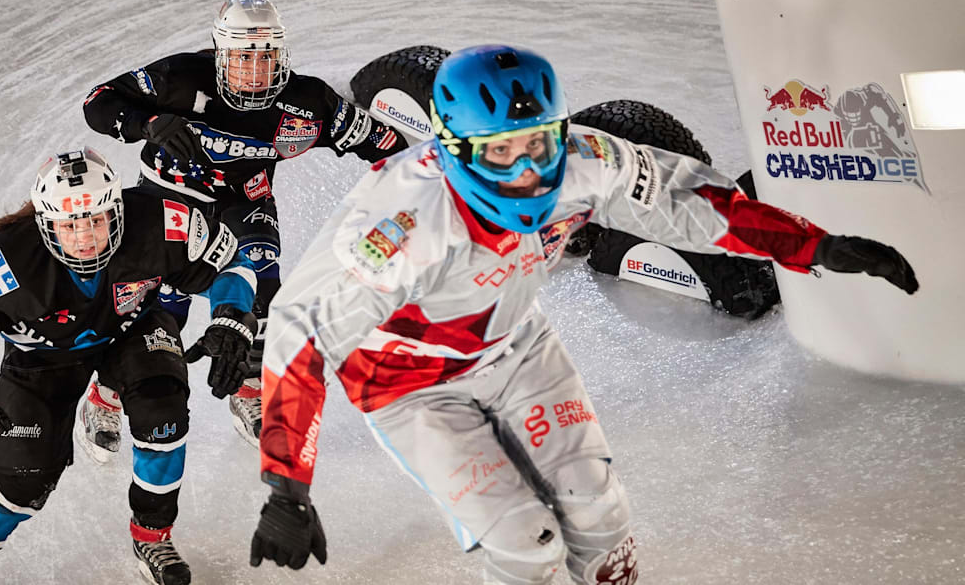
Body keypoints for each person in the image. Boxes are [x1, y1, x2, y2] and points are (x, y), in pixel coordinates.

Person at [245, 45, 918, 584]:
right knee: (524, 541)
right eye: (500, 153)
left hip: (513, 343)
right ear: (452, 150)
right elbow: (302, 329)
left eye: (538, 145)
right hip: (407, 380)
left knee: (601, 511)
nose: (527, 174)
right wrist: (286, 486)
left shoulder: (584, 159)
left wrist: (814, 244)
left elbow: (683, 198)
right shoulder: (402, 221)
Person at [78, 0, 407, 453]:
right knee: (158, 304)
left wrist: (441, 174)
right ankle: (108, 391)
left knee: (263, 287)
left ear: (281, 56)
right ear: (219, 55)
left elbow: (384, 143)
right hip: (167, 194)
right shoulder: (179, 77)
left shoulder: (309, 103)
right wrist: (147, 123)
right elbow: (97, 101)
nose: (254, 72)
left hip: (242, 199)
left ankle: (248, 385)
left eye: (265, 58)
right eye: (242, 58)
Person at [0, 147, 257, 585]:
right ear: (46, 225)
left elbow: (230, 260)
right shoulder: (8, 257)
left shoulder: (158, 220)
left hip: (131, 331)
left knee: (164, 416)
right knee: (22, 478)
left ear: (117, 210)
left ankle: (152, 535)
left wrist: (231, 317)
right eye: (70, 225)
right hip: (42, 361)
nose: (85, 238)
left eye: (97, 220)